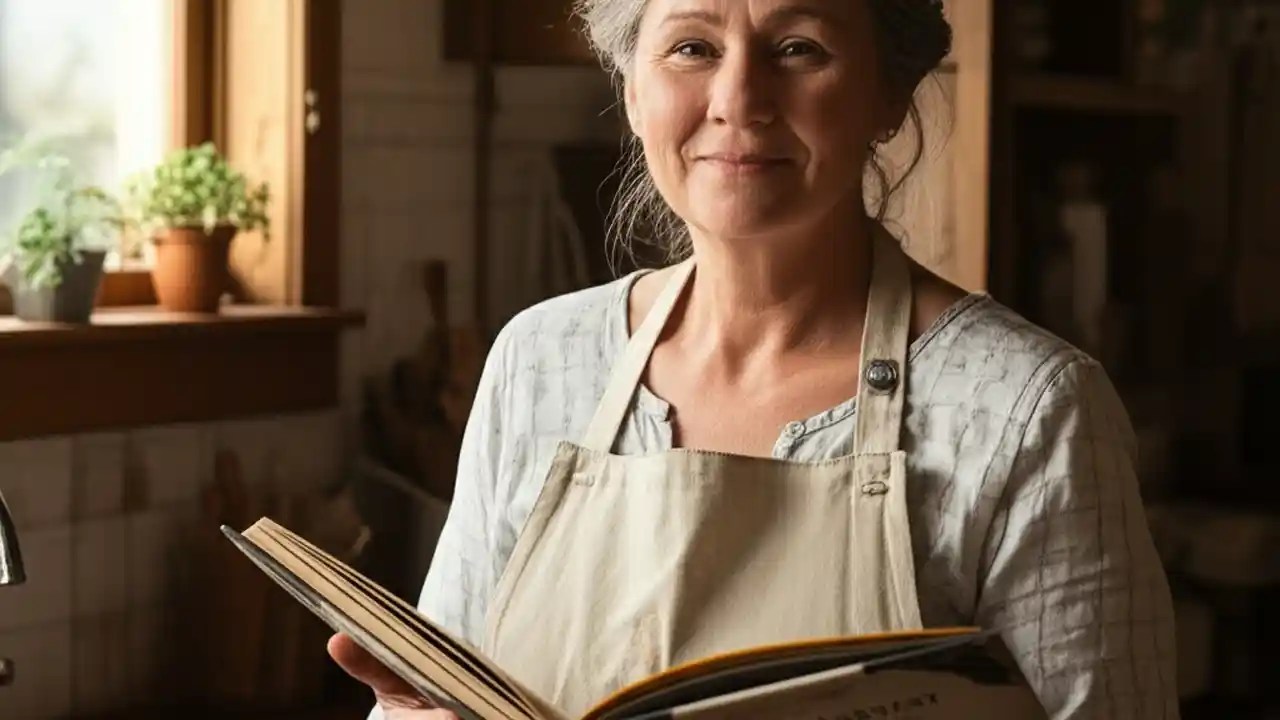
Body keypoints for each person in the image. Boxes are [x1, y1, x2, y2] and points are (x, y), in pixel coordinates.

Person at [331, 0, 1181, 717]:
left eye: (797, 49)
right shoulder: (538, 362)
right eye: (693, 47)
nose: (740, 98)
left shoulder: (1029, 408)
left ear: (889, 92)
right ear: (632, 91)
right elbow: (443, 690)